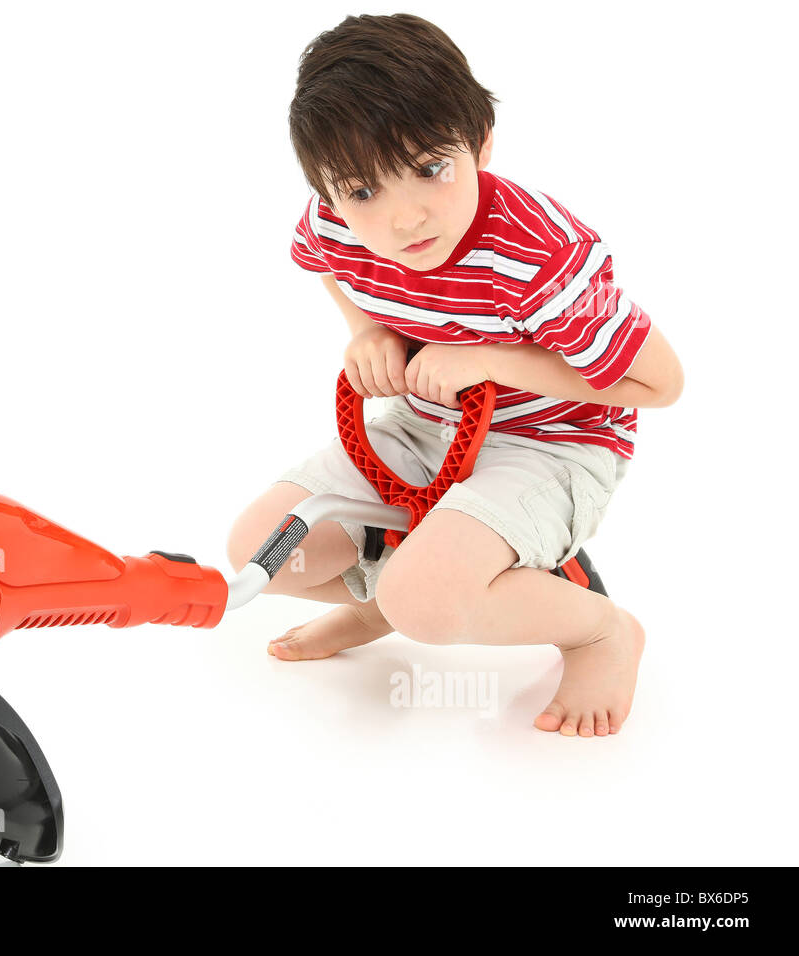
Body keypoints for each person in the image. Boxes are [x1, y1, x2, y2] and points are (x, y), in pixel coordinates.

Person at [226, 13, 683, 737]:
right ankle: (393, 599)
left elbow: (660, 384)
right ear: (330, 190)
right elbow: (322, 264)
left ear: (480, 142)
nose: (405, 218)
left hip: (554, 443)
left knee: (431, 601)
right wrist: (368, 331)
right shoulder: (334, 221)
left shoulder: (538, 259)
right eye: (362, 191)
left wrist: (491, 362)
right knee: (267, 551)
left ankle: (599, 629)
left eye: (430, 168)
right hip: (428, 424)